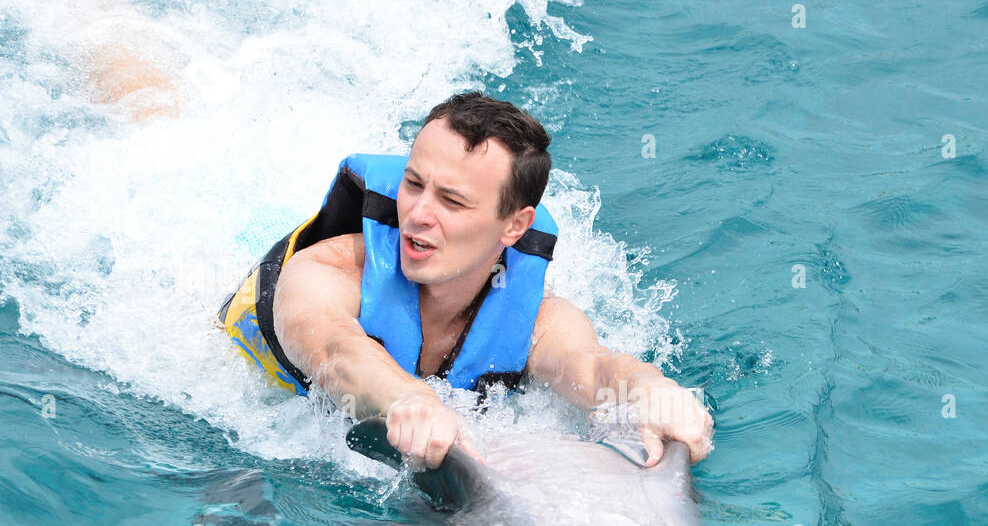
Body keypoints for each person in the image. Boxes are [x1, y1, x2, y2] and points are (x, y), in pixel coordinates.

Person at [219, 91, 713, 469]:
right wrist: (409, 400)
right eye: (413, 185)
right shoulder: (329, 270)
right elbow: (334, 352)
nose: (417, 215)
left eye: (452, 202)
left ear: (515, 226)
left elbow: (593, 368)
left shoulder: (540, 318)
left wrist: (650, 389)